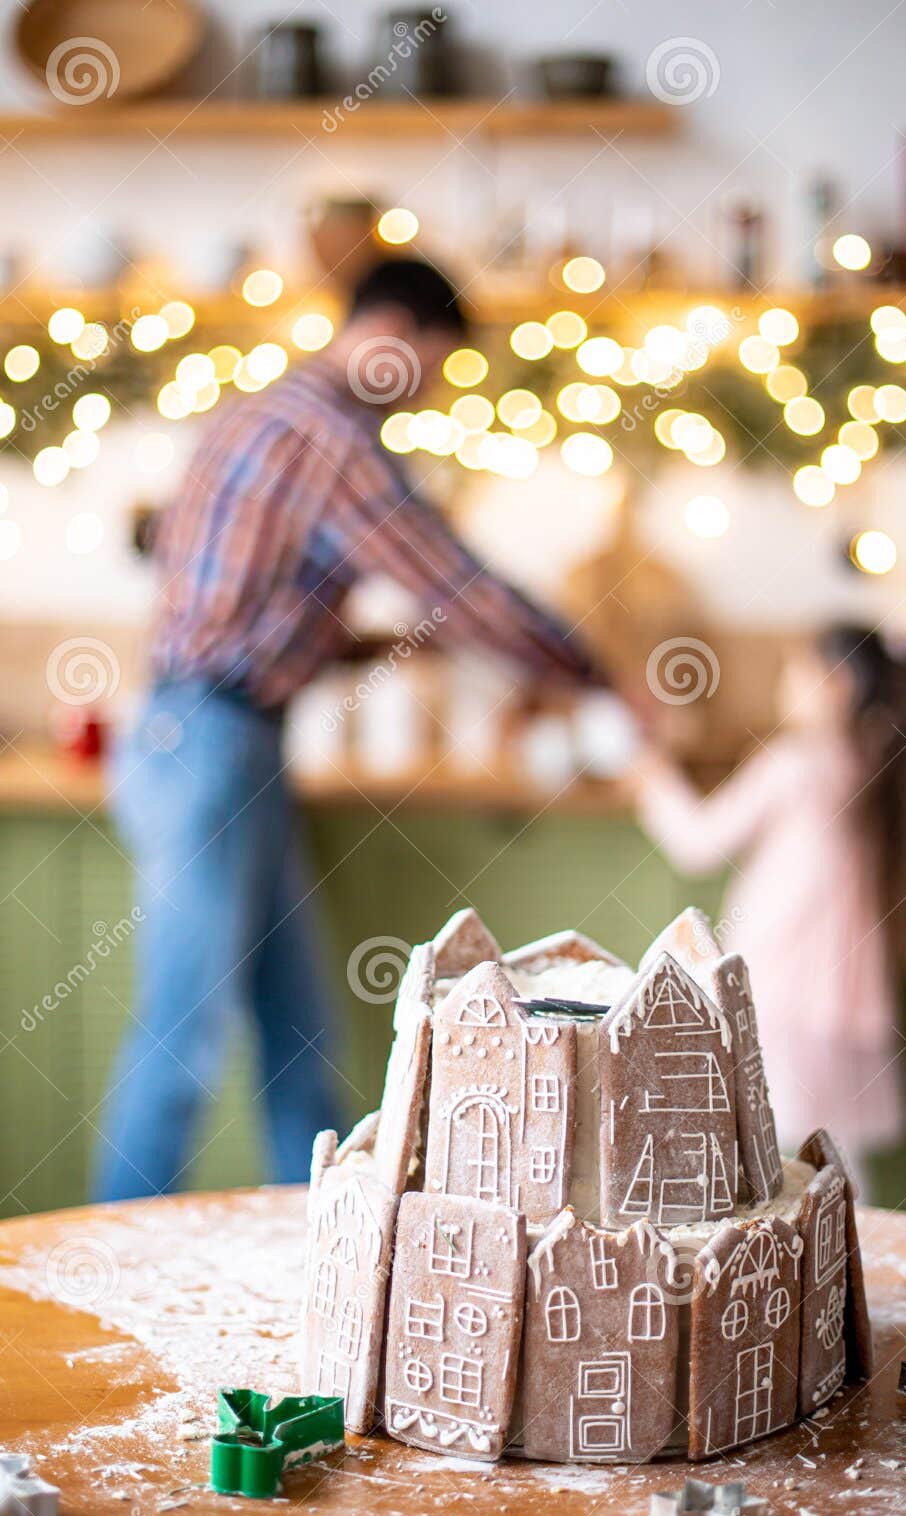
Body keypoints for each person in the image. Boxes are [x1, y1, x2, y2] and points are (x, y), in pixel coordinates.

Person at [94, 258, 599, 1203]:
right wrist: (594, 675)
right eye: (436, 367)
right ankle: (99, 1277)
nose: (432, 394)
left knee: (298, 1031)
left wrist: (369, 649)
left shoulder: (267, 413)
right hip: (209, 742)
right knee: (186, 1040)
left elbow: (260, 609)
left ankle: (330, 1246)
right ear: (393, 338)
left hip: (215, 739)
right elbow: (456, 583)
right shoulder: (332, 438)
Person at [637, 625, 906, 1189]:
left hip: (782, 983)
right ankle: (844, 1253)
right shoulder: (869, 763)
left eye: (795, 669)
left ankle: (801, 1261)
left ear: (833, 684)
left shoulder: (797, 763)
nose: (785, 683)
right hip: (838, 994)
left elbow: (698, 843)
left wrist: (650, 775)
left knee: (772, 1144)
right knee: (831, 1151)